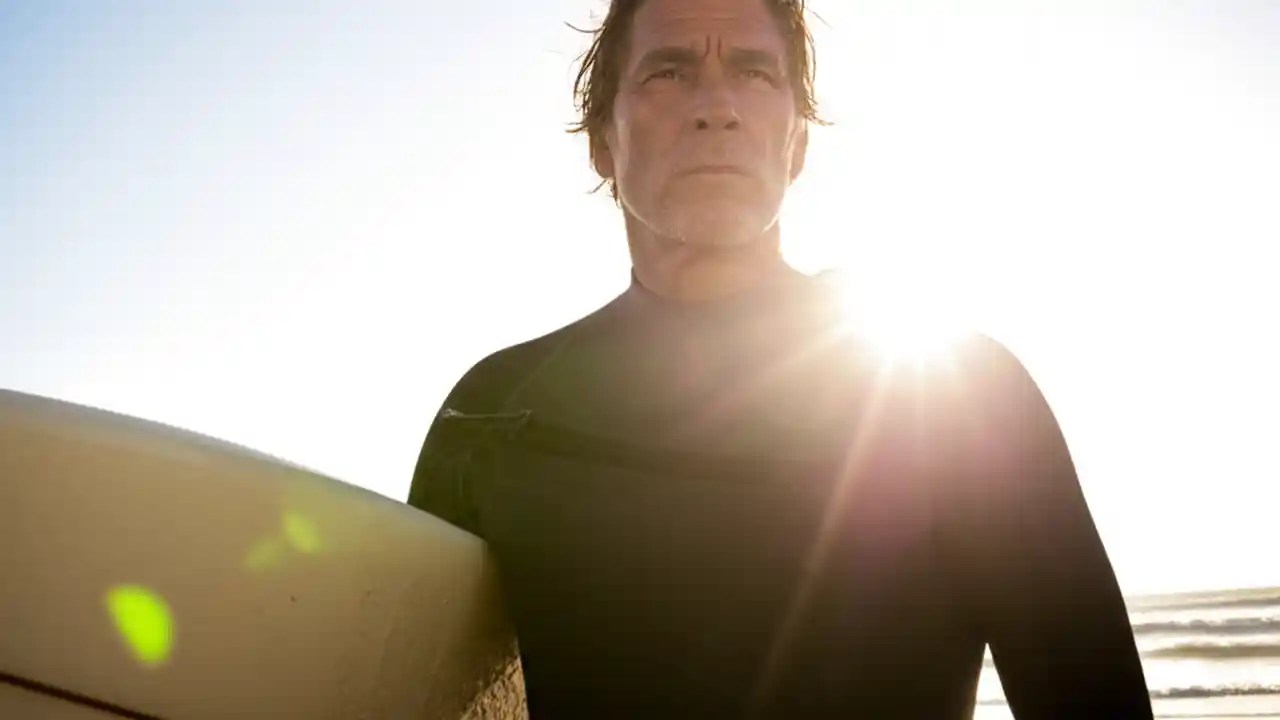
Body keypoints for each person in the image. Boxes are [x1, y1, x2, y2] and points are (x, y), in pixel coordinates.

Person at [407, 0, 1154, 717]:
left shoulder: (961, 399)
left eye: (754, 72)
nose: (716, 107)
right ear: (603, 138)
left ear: (797, 142)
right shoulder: (492, 413)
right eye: (668, 72)